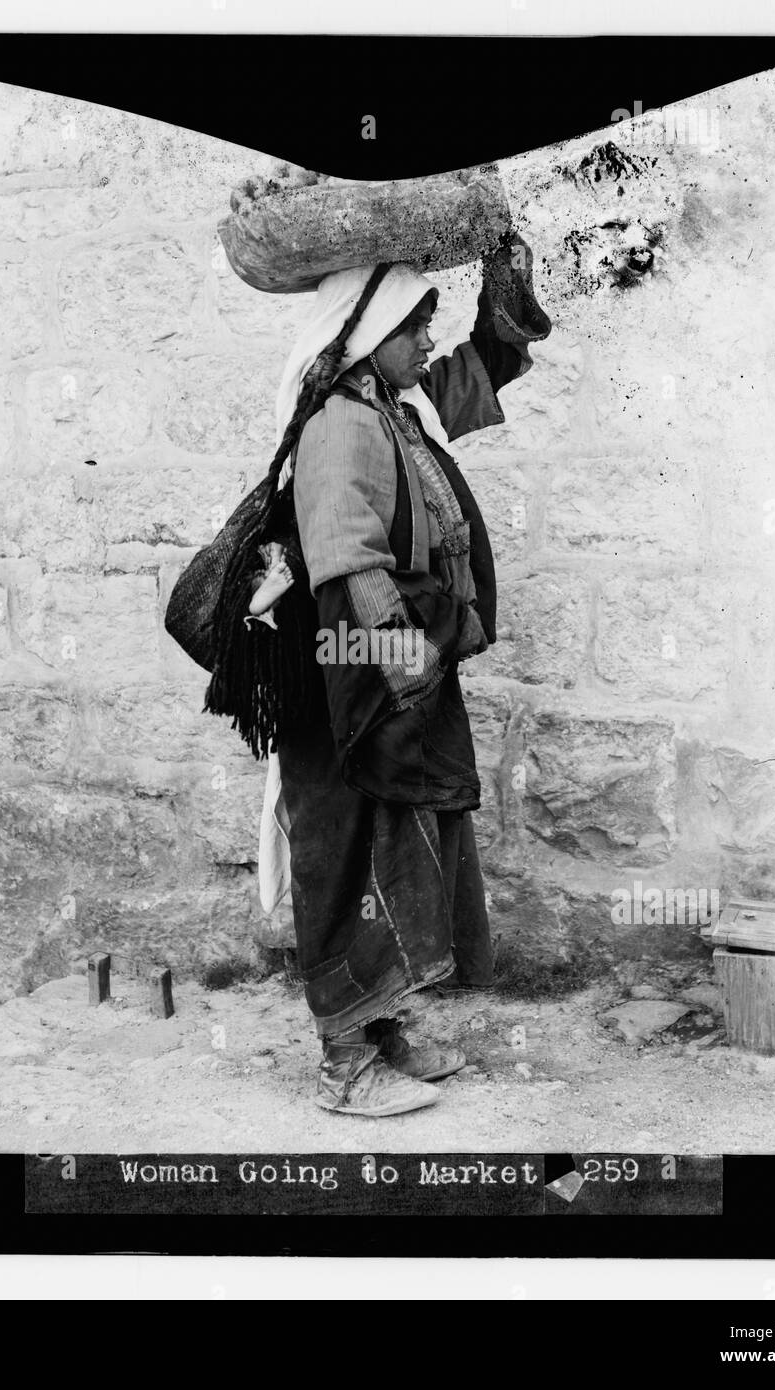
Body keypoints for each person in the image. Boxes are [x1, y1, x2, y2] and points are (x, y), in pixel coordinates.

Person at [207, 234, 550, 1115]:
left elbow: (486, 367)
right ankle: (343, 1063)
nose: (428, 343)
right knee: (346, 849)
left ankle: (384, 1028)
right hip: (353, 678)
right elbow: (345, 558)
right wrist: (401, 668)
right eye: (416, 326)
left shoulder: (398, 408)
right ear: (369, 334)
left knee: (403, 842)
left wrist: (506, 278)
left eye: (430, 324)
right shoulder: (342, 425)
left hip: (398, 667)